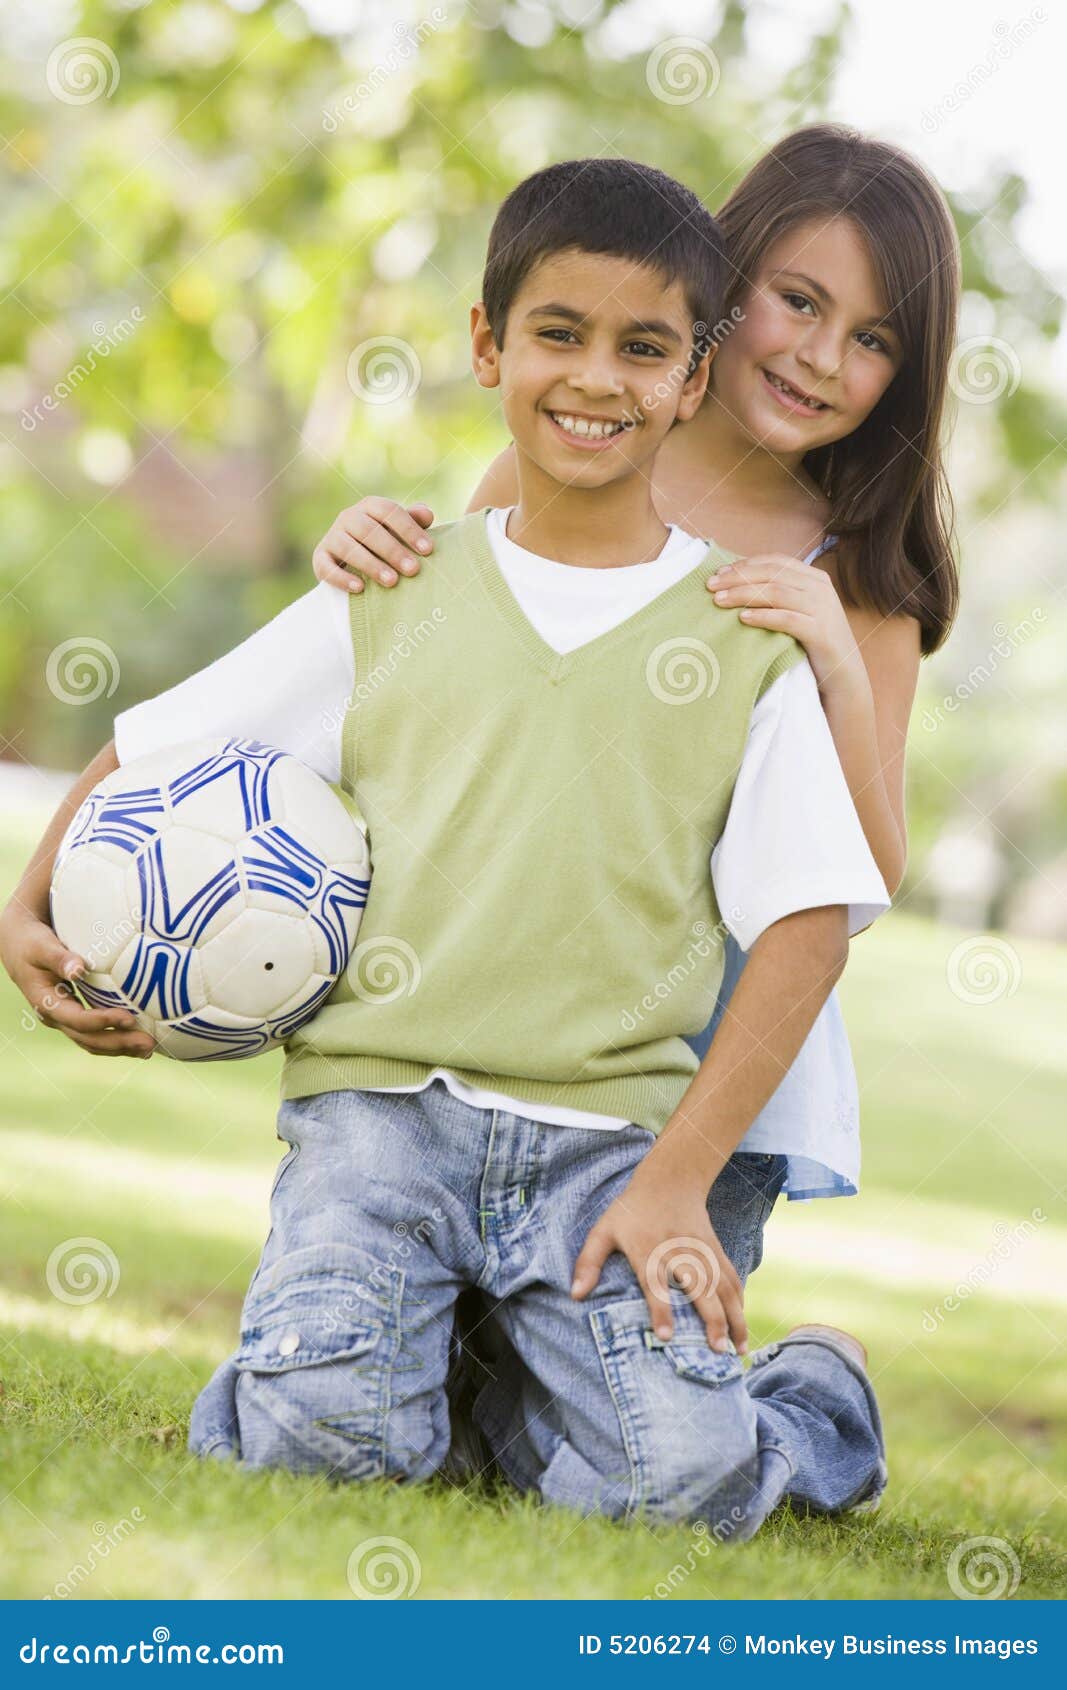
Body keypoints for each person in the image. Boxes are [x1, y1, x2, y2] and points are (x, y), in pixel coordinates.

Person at [0, 157, 890, 1535]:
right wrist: (27, 903)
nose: (595, 377)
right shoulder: (394, 585)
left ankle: (809, 1399)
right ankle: (353, 1365)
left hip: (607, 1144)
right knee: (325, 1448)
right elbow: (161, 741)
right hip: (376, 1127)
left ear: (693, 380)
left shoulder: (742, 641)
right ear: (487, 345)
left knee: (679, 1482)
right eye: (559, 333)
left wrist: (674, 1185)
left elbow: (811, 925)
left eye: (643, 348)